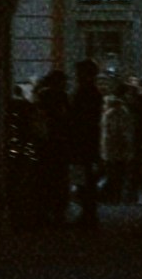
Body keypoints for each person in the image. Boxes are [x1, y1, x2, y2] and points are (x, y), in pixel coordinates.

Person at [63, 59, 104, 229]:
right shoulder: (92, 93)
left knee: (85, 181)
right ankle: (88, 215)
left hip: (83, 143)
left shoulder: (86, 93)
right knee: (85, 181)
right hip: (87, 143)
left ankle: (88, 216)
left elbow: (80, 120)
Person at [28, 71, 72, 228]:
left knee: (45, 179)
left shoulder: (42, 96)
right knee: (58, 179)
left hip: (46, 144)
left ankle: (44, 212)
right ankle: (57, 212)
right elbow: (67, 118)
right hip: (57, 144)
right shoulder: (61, 97)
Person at [99, 81, 135, 204]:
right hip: (118, 150)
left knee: (112, 175)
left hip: (108, 151)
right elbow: (121, 134)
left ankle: (110, 198)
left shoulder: (107, 113)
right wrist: (127, 147)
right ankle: (113, 198)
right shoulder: (120, 113)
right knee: (117, 177)